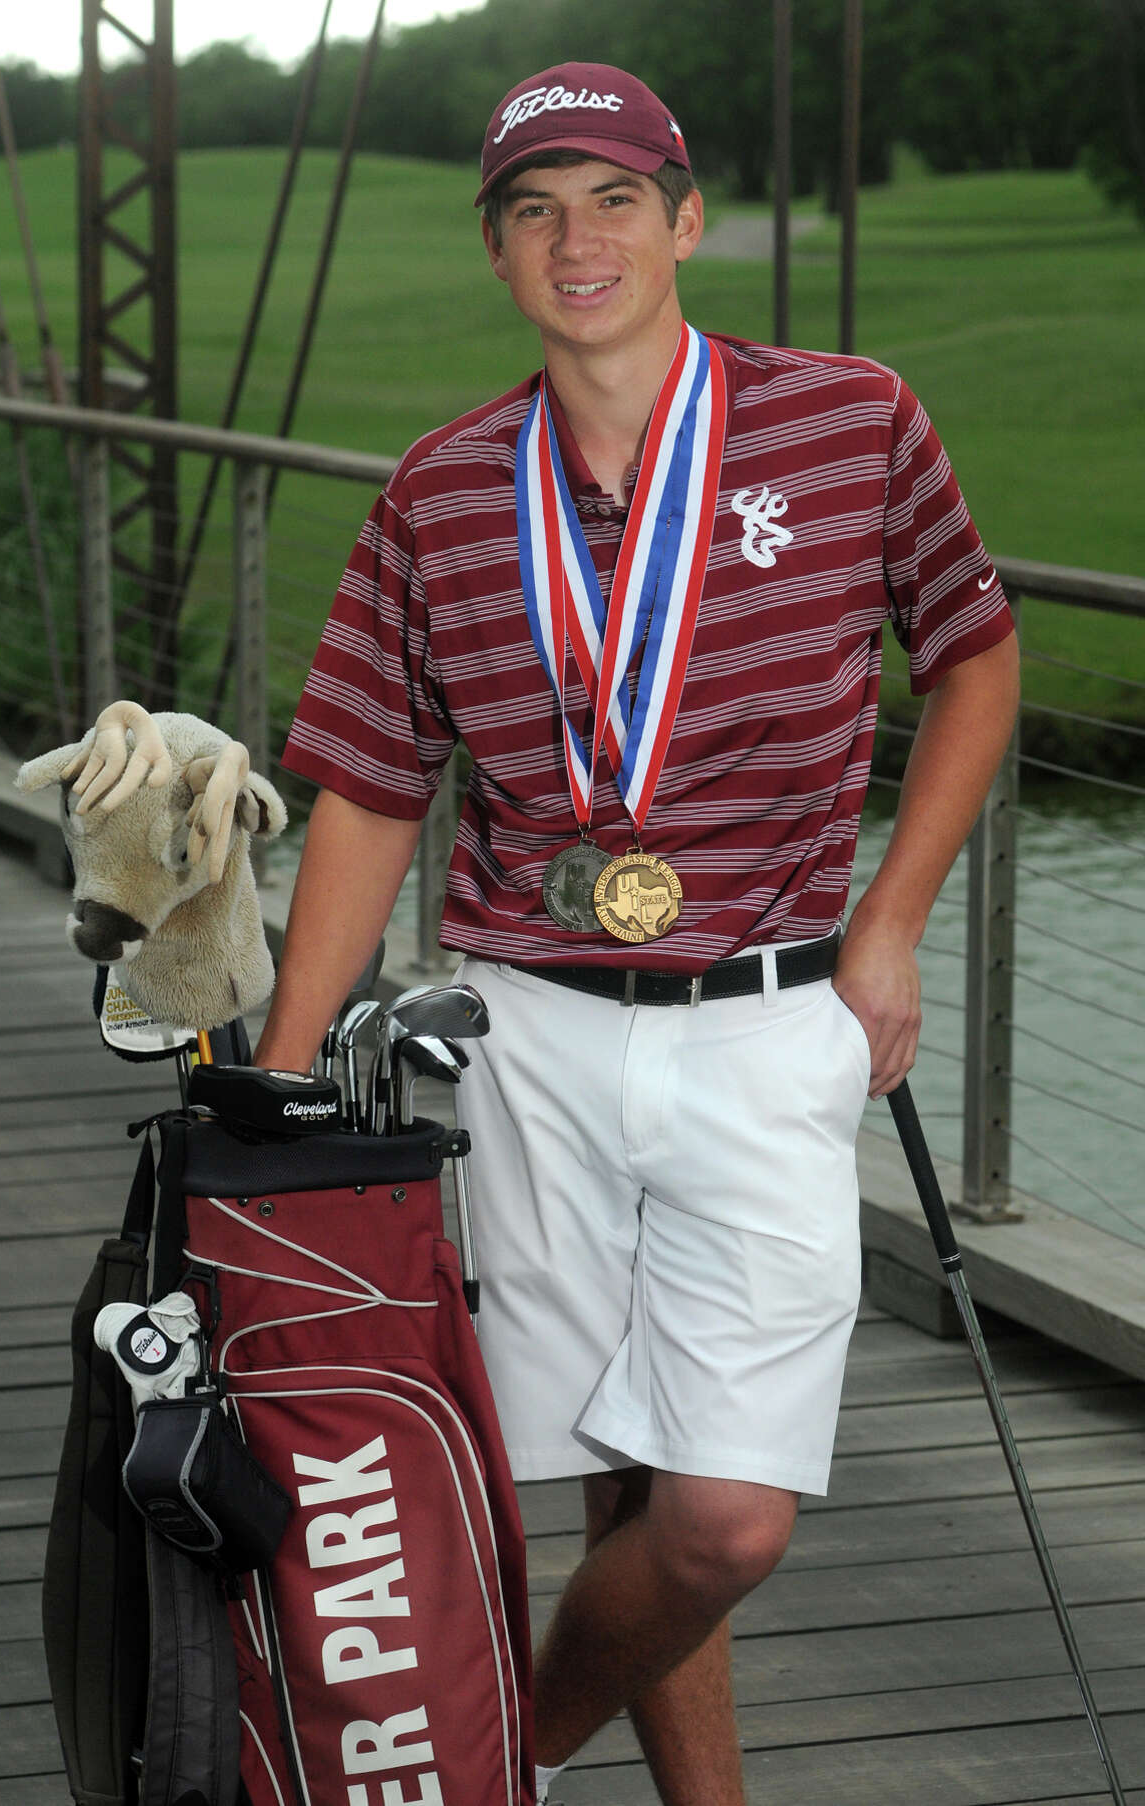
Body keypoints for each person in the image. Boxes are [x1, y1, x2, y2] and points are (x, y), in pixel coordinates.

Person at [253, 61, 1020, 1806]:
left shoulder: (851, 419)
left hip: (767, 1020)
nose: (574, 238)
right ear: (496, 254)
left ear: (686, 220)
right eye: (533, 207)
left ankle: (484, 1766)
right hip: (535, 1024)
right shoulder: (445, 489)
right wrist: (282, 1079)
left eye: (612, 197)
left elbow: (973, 653)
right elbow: (373, 783)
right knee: (621, 1471)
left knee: (724, 1517)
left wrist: (891, 924)